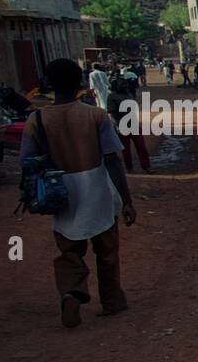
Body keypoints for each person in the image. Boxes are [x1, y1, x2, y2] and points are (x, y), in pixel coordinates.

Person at [20, 58, 136, 328]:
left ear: (48, 84)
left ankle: (72, 292)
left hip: (60, 192)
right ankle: (112, 300)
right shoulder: (95, 116)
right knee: (106, 250)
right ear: (81, 84)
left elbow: (27, 161)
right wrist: (127, 201)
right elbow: (113, 159)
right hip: (97, 188)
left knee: (69, 250)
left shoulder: (36, 119)